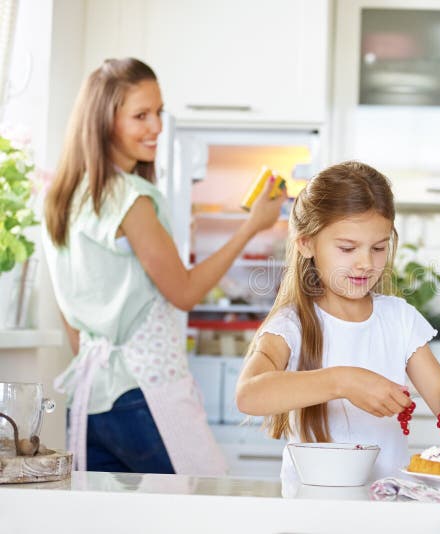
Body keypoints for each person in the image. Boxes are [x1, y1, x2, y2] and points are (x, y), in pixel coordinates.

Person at [42, 58, 285, 475]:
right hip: (144, 392)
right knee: (206, 503)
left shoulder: (62, 197)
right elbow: (186, 292)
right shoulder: (132, 199)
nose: (156, 127)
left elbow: (72, 317)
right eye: (141, 116)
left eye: (158, 112)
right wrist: (252, 227)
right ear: (103, 122)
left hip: (90, 399)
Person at [235, 160, 440, 484]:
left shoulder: (399, 319)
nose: (366, 263)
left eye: (378, 248)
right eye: (347, 248)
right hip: (312, 510)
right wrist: (343, 381)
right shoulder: (292, 324)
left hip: (385, 509)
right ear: (306, 243)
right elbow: (249, 396)